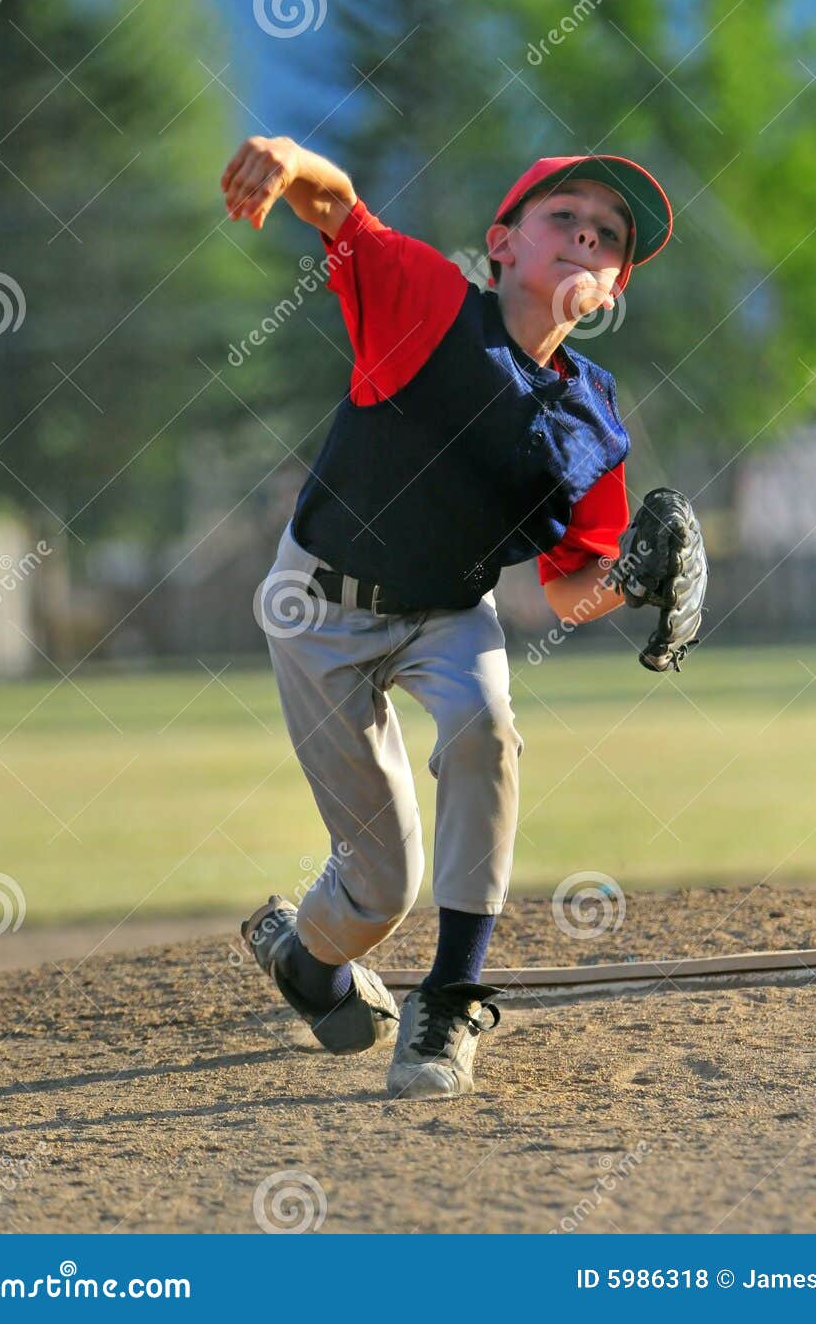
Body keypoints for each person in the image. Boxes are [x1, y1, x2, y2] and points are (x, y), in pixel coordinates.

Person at [222, 136, 673, 1098]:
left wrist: (631, 580)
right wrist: (285, 158)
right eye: (565, 218)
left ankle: (449, 999)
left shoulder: (593, 421)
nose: (584, 239)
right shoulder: (426, 301)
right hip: (318, 604)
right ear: (501, 242)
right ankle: (307, 955)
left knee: (489, 732)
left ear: (612, 286)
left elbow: (565, 591)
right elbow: (337, 205)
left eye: (606, 238)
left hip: (450, 612)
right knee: (380, 888)